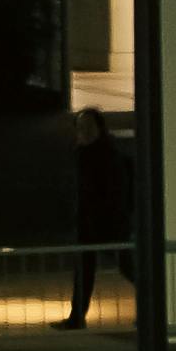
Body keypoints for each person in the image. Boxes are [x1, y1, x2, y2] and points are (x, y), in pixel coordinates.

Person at [64, 106, 130, 328]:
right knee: (85, 270)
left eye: (88, 127)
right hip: (92, 223)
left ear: (99, 128)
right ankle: (77, 317)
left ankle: (157, 307)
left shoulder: (105, 156)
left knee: (128, 267)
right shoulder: (86, 153)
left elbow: (110, 192)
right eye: (81, 127)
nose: (84, 131)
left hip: (107, 223)